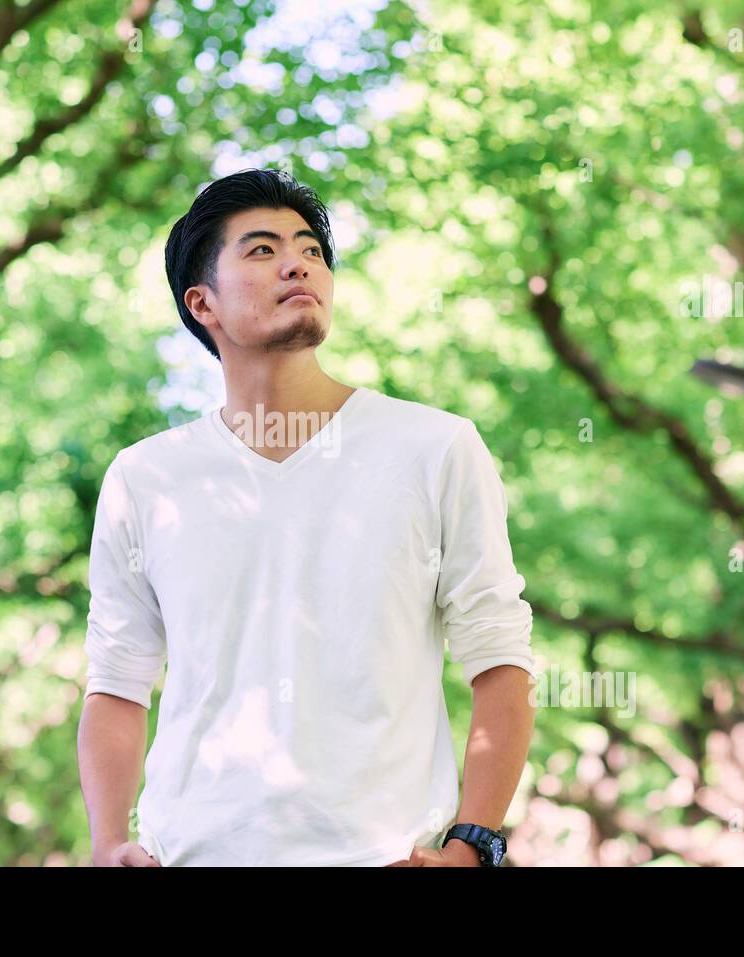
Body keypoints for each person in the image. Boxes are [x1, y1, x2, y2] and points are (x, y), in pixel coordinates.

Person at [76, 168, 536, 867]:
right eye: (261, 250)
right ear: (203, 303)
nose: (299, 262)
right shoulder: (147, 479)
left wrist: (475, 845)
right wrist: (109, 843)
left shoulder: (434, 448)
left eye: (311, 249)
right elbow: (116, 681)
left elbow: (500, 658)